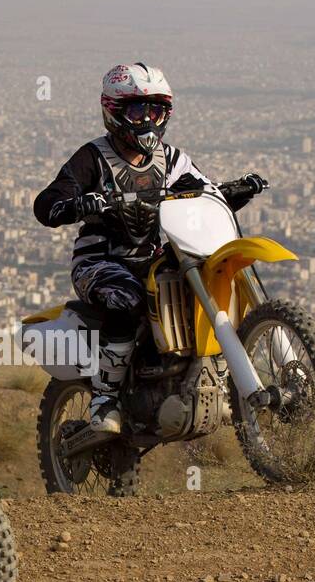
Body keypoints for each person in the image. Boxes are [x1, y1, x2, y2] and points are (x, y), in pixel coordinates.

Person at [32, 63, 265, 432]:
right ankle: (104, 399)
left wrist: (232, 192)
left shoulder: (173, 160)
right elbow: (47, 203)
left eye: (155, 111)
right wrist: (78, 204)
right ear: (115, 111)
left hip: (158, 260)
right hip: (101, 263)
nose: (148, 120)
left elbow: (202, 190)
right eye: (138, 110)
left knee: (209, 285)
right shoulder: (93, 158)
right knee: (127, 299)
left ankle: (213, 380)